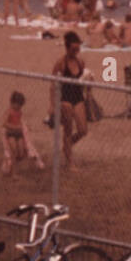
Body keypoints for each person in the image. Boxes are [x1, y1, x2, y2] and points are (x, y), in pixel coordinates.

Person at [49, 31, 88, 167]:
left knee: (83, 130)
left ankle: (67, 145)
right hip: (65, 97)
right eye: (73, 49)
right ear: (67, 48)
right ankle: (70, 162)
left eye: (78, 49)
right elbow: (53, 84)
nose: (76, 52)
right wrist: (52, 105)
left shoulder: (80, 62)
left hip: (78, 96)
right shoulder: (61, 63)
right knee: (68, 129)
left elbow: (83, 79)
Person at [2, 91, 45, 176]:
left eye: (20, 106)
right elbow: (4, 123)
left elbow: (20, 122)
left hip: (18, 134)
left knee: (21, 153)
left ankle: (8, 164)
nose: (19, 107)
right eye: (18, 105)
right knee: (14, 150)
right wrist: (15, 127)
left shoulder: (19, 112)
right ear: (13, 103)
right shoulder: (9, 111)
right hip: (10, 134)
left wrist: (24, 127)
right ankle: (14, 172)